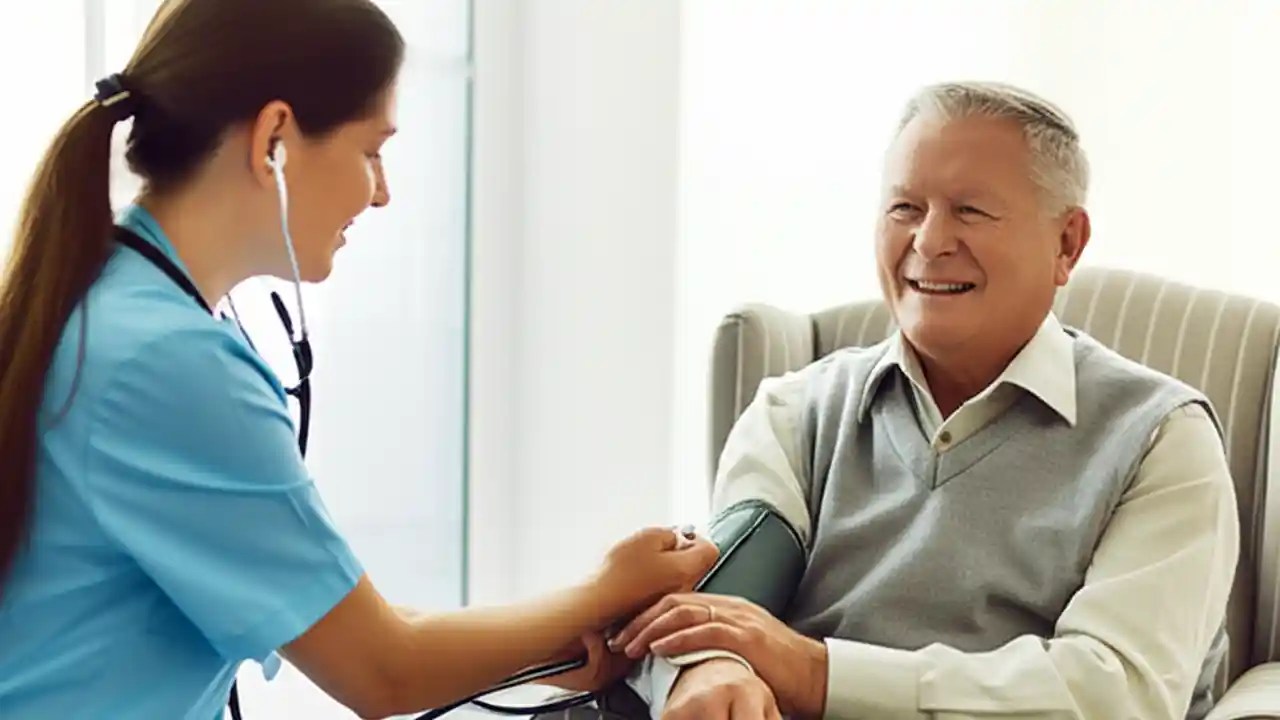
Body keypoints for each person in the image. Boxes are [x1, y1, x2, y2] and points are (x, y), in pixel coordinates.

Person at [0, 1, 718, 718]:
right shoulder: (170, 363)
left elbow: (342, 619)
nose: (381, 193)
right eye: (372, 151)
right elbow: (382, 670)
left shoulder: (107, 304)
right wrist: (606, 590)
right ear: (274, 139)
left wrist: (542, 640)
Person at [609, 82, 1240, 719]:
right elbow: (710, 607)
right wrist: (708, 666)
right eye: (906, 207)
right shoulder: (794, 415)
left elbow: (1113, 695)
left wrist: (816, 674)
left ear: (1067, 244)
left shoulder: (1162, 439)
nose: (930, 241)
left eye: (970, 211)